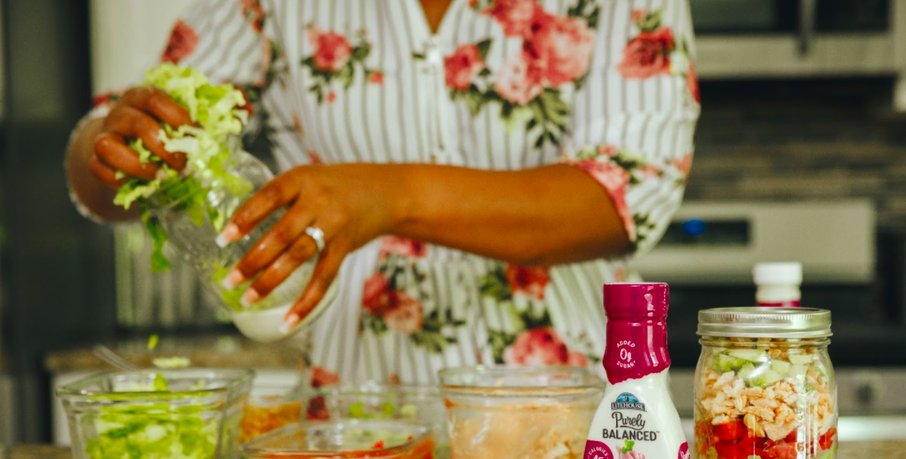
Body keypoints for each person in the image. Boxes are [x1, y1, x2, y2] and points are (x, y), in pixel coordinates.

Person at [65, 0, 699, 386]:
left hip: (569, 411)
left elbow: (625, 195)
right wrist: (109, 144)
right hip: (356, 413)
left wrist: (388, 195)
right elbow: (111, 169)